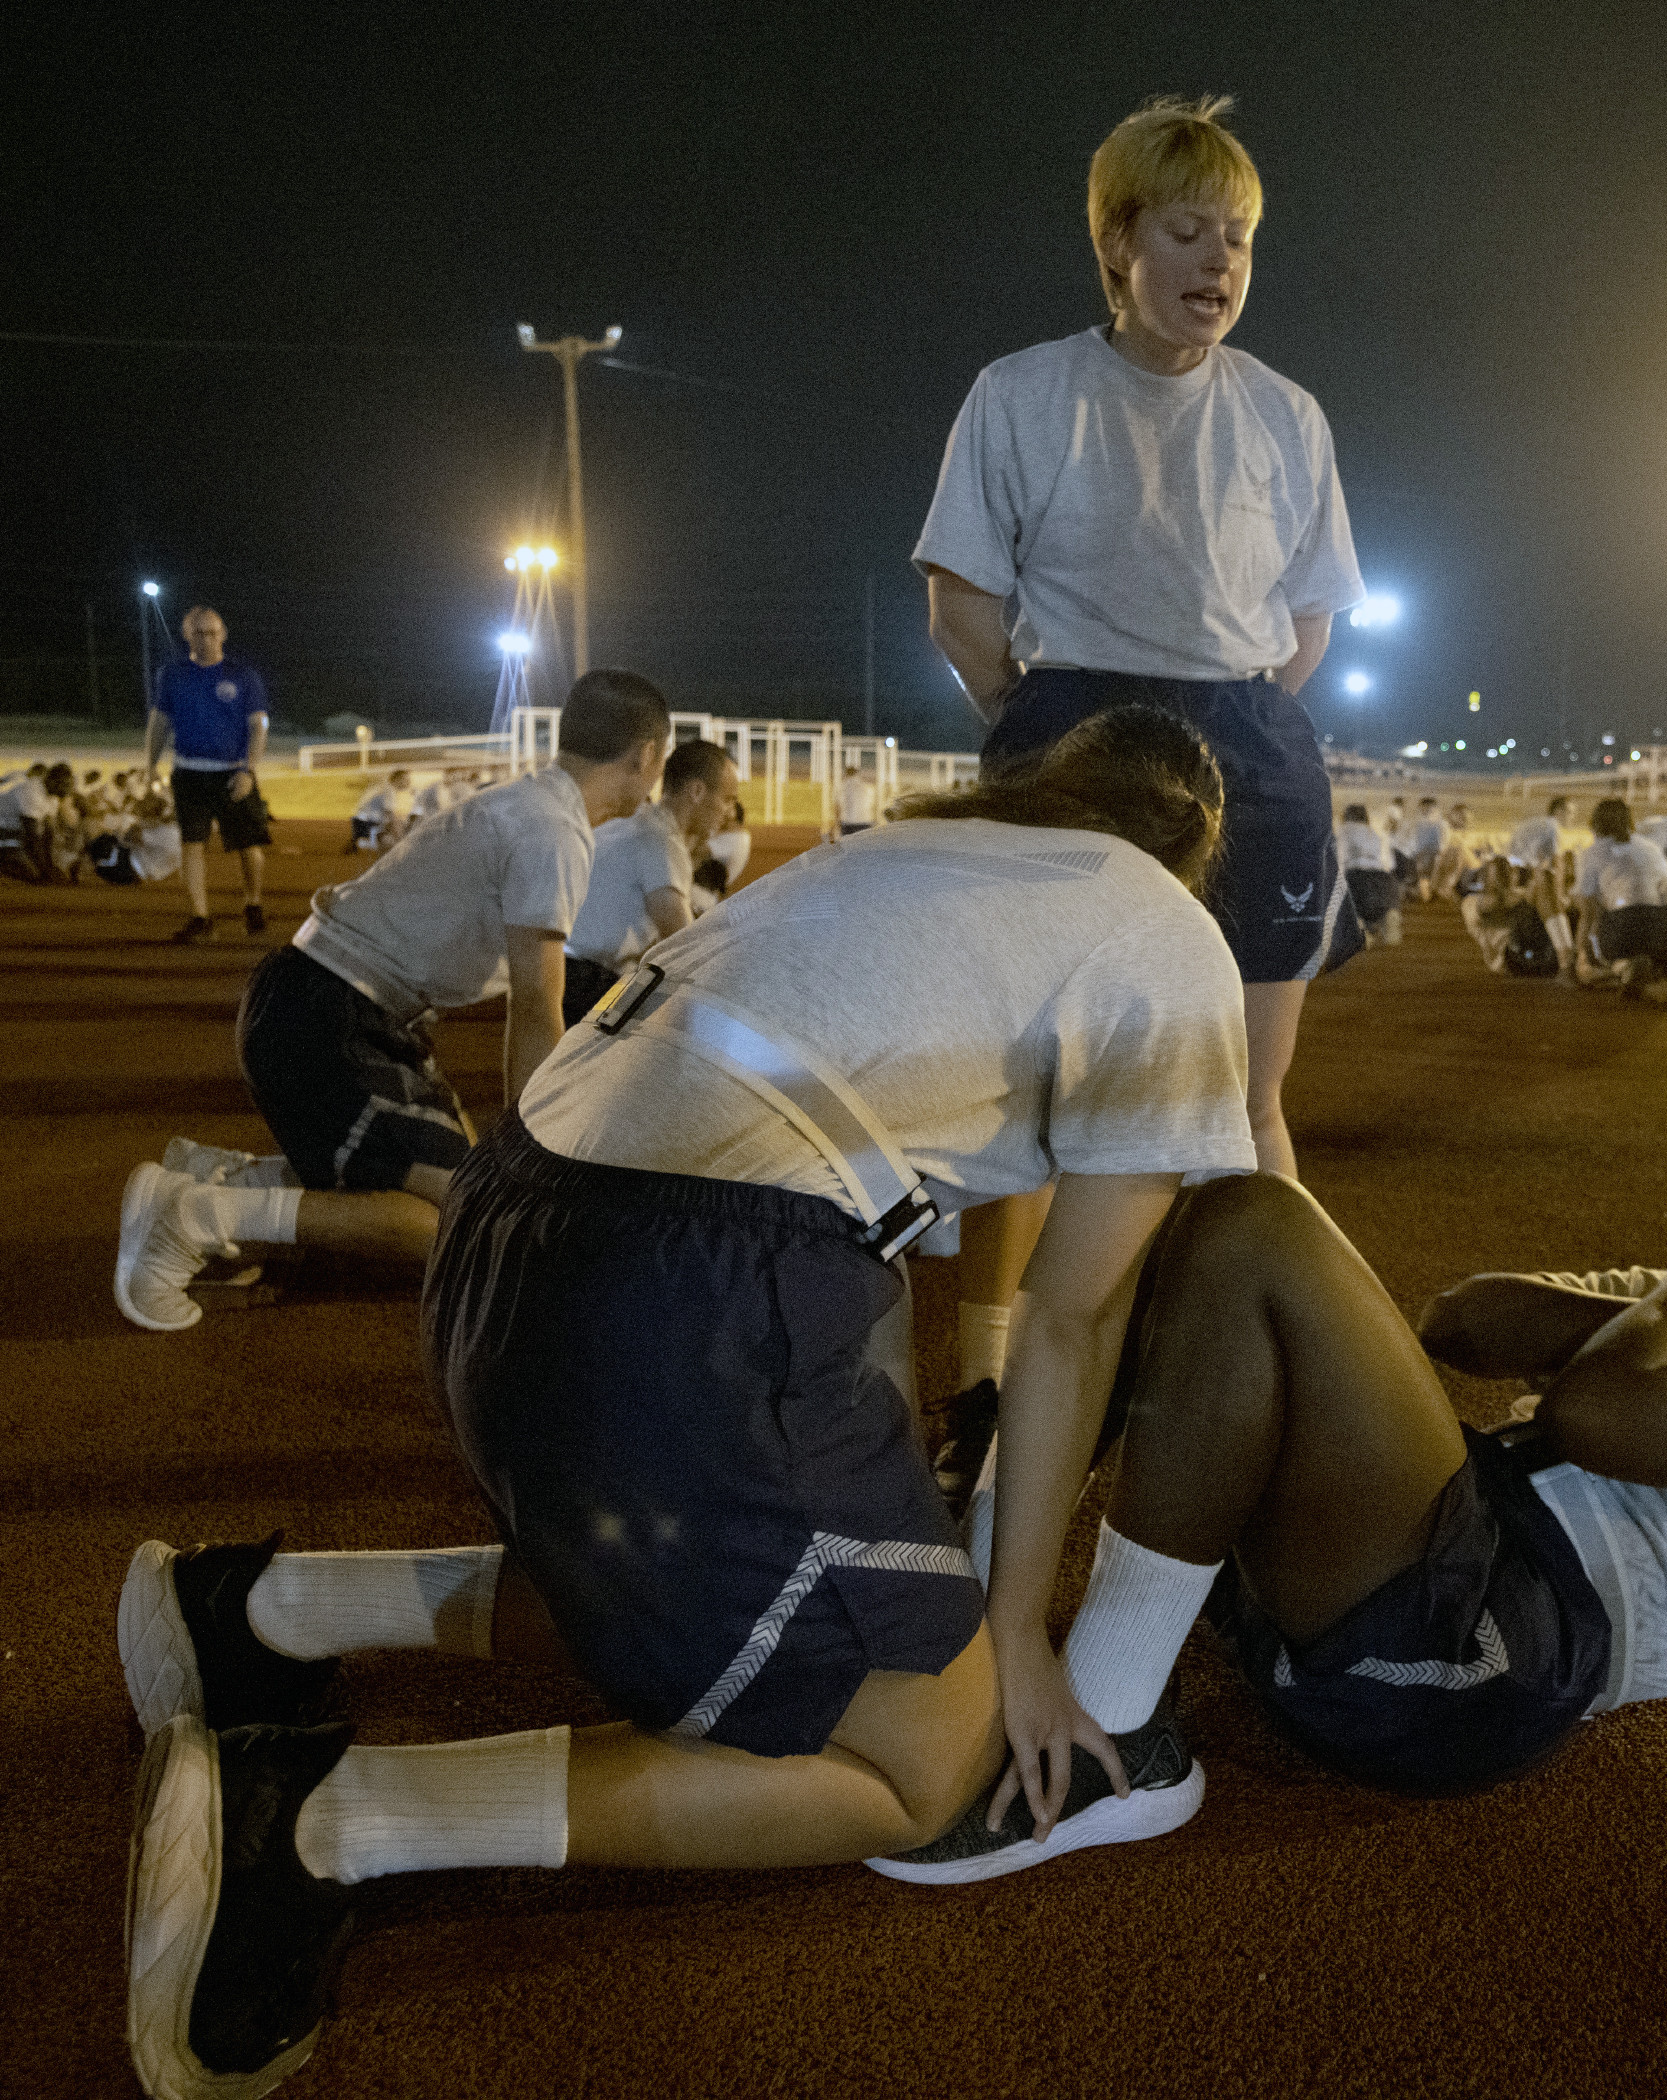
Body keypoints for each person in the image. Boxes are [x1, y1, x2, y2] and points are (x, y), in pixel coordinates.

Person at [116, 706, 1256, 2097]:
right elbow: (1075, 1316)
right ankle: (324, 1820)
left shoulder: (898, 850)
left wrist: (883, 1486)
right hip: (678, 1294)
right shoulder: (1168, 934)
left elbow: (890, 1222)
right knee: (928, 1755)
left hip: (505, 1228)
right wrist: (1015, 1625)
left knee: (690, 1585)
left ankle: (256, 1612)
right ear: (1191, 848)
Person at [867, 1144, 1667, 1877]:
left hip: (1503, 1646)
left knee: (1259, 1225)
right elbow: (1460, 1322)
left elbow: (1596, 1416)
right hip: (1453, 1542)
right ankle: (984, 1564)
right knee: (1206, 1218)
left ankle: (1114, 1738)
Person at [914, 95, 1366, 1180]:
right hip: (1077, 729)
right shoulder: (1021, 395)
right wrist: (1044, 728)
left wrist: (1242, 713)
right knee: (1044, 1085)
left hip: (1249, 738)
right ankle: (1009, 1343)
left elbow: (1309, 624)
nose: (1220, 260)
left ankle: (1255, 1335)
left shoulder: (1287, 414)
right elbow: (963, 611)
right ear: (1119, 244)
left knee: (1248, 1098)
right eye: (1187, 231)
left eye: (1239, 236)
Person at [111, 669, 671, 1334]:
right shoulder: (553, 830)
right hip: (331, 1017)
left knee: (452, 1192)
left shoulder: (531, 807)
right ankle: (196, 1216)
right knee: (463, 1227)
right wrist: (536, 1143)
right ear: (645, 756)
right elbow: (534, 1002)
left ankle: (225, 1182)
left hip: (325, 1005)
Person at [560, 738, 742, 1025]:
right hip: (589, 985)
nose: (730, 812)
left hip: (568, 973)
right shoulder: (662, 842)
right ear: (697, 791)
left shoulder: (633, 823)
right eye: (728, 799)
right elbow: (684, 942)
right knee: (674, 1030)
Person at [144, 605, 273, 941]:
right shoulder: (171, 675)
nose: (207, 639)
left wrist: (249, 769)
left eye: (213, 632)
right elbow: (159, 723)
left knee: (249, 847)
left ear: (223, 634)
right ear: (187, 635)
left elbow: (258, 726)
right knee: (192, 845)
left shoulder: (243, 676)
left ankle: (253, 901)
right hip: (188, 772)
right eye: (199, 633)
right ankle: (200, 917)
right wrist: (149, 765)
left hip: (233, 774)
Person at [1572, 797, 1667, 1004]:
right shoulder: (1650, 847)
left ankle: (1626, 966)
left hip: (1629, 923)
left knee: (1602, 945)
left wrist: (1579, 956)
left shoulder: (1593, 853)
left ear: (1596, 823)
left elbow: (1588, 913)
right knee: (1658, 940)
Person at [1334, 802, 1401, 944]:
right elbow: (1389, 864)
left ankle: (1361, 930)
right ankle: (1388, 916)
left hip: (1355, 877)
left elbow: (1338, 859)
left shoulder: (1343, 830)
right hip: (1384, 881)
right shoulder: (1377, 834)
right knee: (1381, 905)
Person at [0, 761, 71, 882]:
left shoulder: (53, 798)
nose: (66, 787)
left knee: (38, 873)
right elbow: (31, 835)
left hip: (14, 833)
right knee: (31, 874)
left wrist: (50, 866)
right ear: (51, 780)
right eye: (63, 782)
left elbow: (48, 836)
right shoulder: (33, 791)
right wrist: (43, 869)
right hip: (5, 831)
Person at [346, 771, 415, 853]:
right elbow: (391, 818)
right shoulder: (389, 792)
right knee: (400, 826)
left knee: (399, 822)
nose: (408, 782)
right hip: (368, 825)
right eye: (405, 779)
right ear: (397, 779)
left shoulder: (384, 787)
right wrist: (402, 841)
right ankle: (370, 842)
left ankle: (364, 840)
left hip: (359, 823)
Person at [836, 764, 881, 837]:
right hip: (866, 821)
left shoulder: (842, 787)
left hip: (848, 822)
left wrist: (837, 823)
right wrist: (876, 820)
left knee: (847, 846)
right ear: (858, 774)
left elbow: (838, 807)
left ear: (846, 774)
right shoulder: (868, 787)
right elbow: (874, 806)